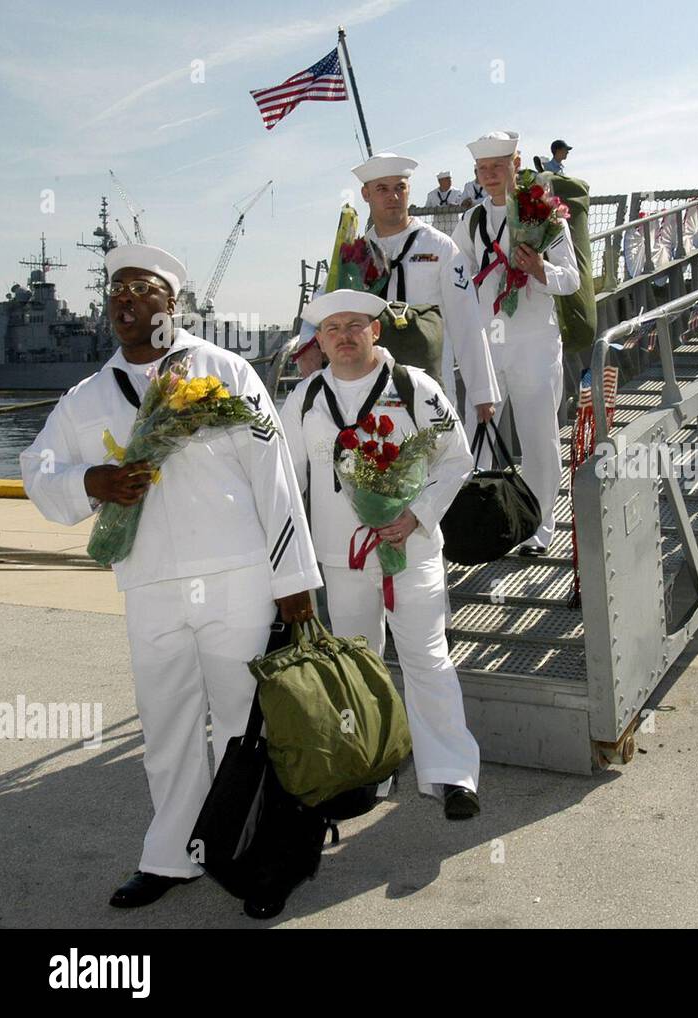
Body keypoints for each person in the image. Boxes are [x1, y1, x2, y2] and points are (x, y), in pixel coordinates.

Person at [20, 244, 320, 910]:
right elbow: (38, 468)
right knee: (167, 725)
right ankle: (172, 857)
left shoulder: (227, 371)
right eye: (114, 290)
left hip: (236, 575)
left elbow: (275, 481)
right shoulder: (87, 395)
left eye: (140, 287)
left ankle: (264, 861)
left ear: (171, 302)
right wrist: (88, 481)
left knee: (250, 727)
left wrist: (293, 578)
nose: (123, 299)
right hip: (149, 583)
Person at [281, 288, 480, 820]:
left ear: (376, 330)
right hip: (340, 560)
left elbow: (456, 458)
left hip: (412, 550)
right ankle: (374, 767)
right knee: (359, 662)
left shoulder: (415, 388)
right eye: (331, 329)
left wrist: (418, 514)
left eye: (354, 325)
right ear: (319, 342)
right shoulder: (301, 400)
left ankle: (452, 774)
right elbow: (286, 485)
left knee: (426, 657)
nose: (344, 336)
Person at [451, 131, 580, 555]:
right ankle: (480, 525)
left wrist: (541, 270)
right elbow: (457, 279)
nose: (489, 176)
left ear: (516, 164)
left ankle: (541, 528)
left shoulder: (545, 214)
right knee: (478, 433)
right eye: (481, 170)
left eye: (497, 167)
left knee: (538, 435)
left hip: (534, 343)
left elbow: (572, 279)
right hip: (489, 341)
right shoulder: (469, 222)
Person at [352, 152, 498, 424]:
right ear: (365, 194)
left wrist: (482, 393)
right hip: (370, 389)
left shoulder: (440, 248)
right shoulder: (355, 254)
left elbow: (466, 320)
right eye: (382, 189)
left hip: (431, 387)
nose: (393, 197)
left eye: (400, 188)